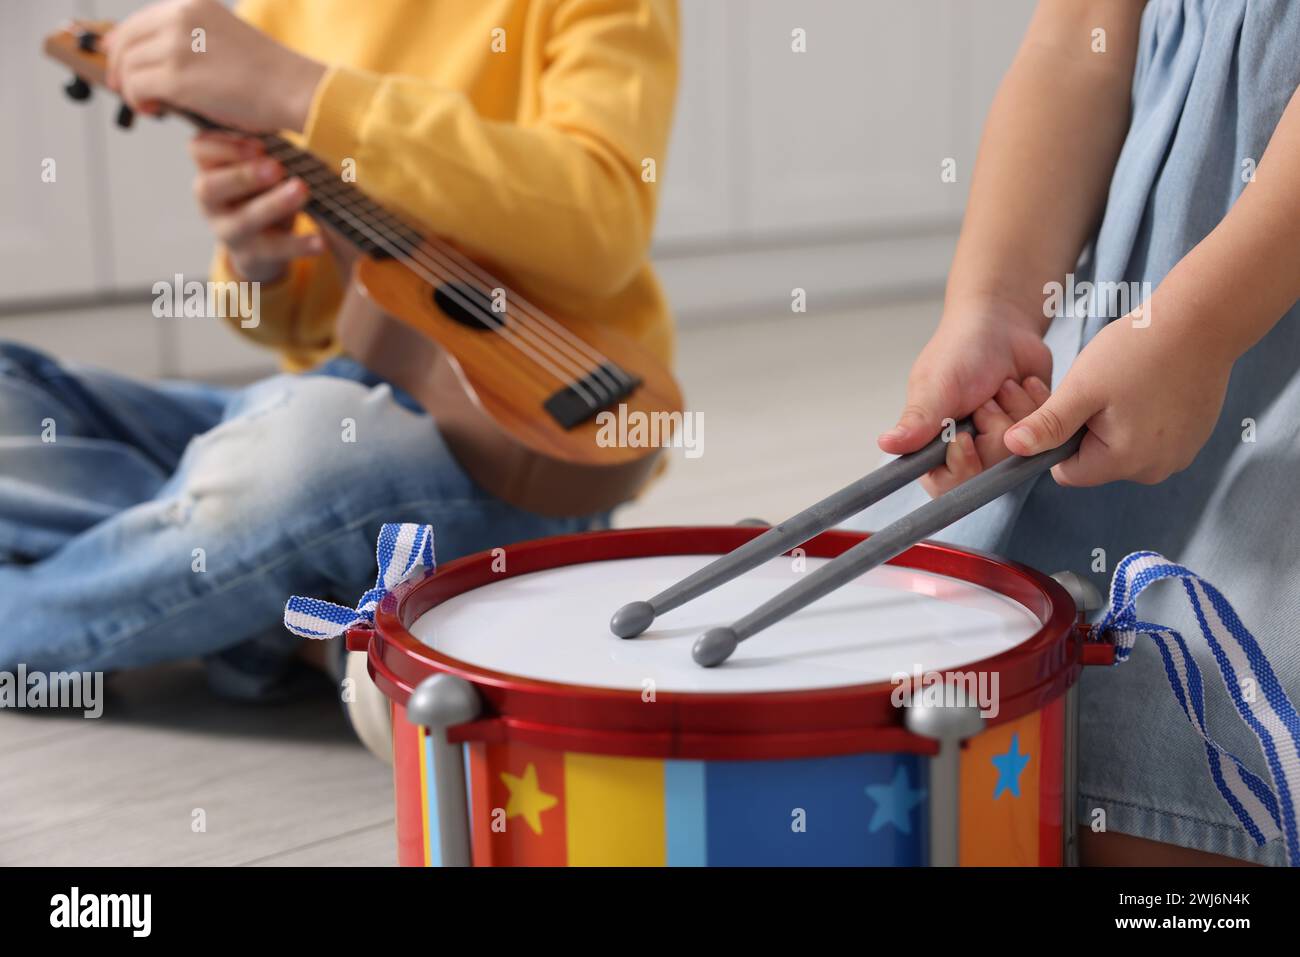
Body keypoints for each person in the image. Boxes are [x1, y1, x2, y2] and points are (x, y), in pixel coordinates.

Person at [0, 0, 679, 709]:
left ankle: (203, 585)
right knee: (282, 443)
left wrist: (299, 88)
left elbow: (601, 222)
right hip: (300, 416)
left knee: (308, 455)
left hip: (503, 456)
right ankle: (264, 597)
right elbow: (297, 327)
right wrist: (255, 261)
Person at [861, 0, 1300, 866]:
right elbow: (1076, 45)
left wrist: (1200, 331)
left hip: (1234, 344)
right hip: (1141, 333)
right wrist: (991, 304)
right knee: (972, 689)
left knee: (1185, 781)